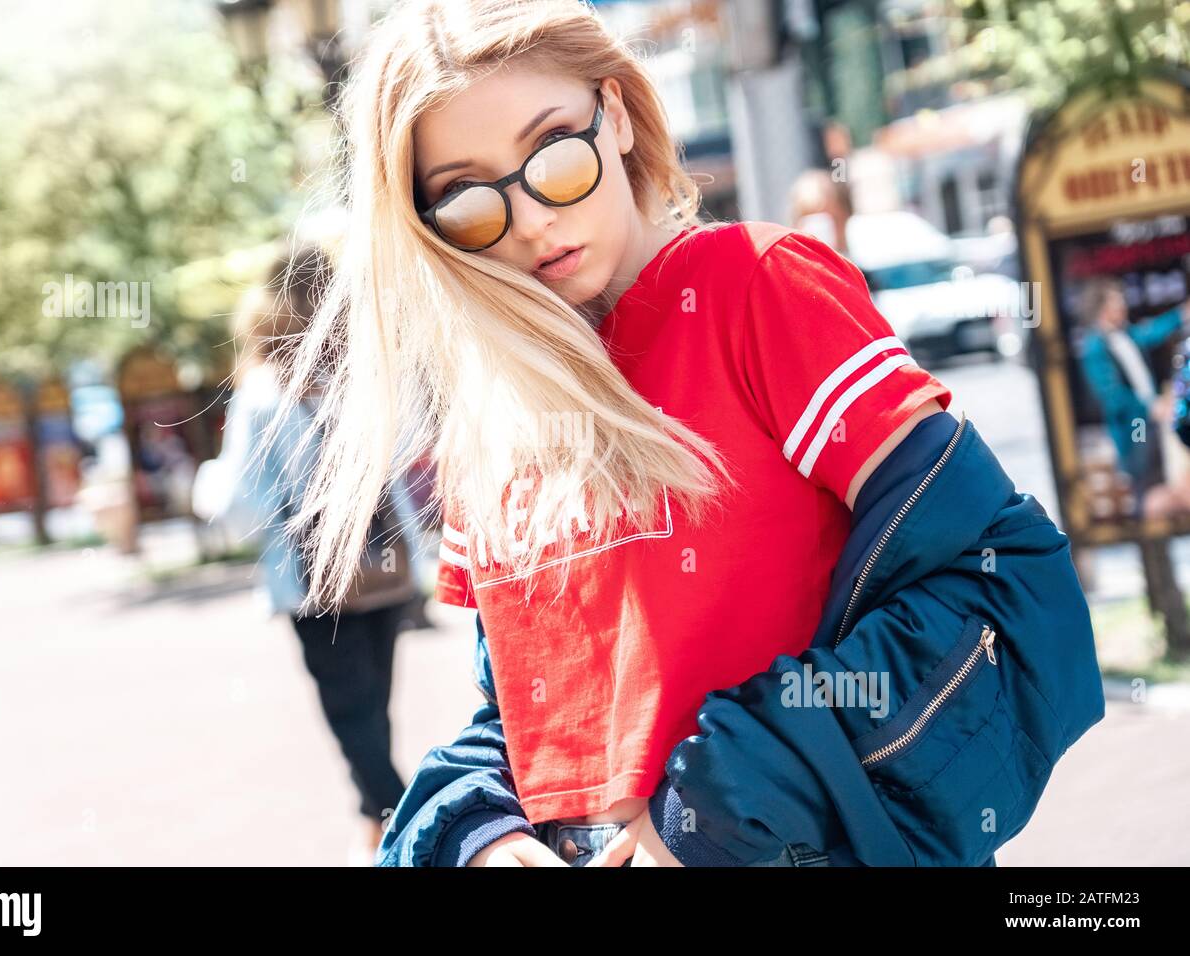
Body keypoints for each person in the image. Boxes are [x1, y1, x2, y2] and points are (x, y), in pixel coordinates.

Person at [274, 0, 1105, 867]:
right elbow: (524, 719)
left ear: (618, 113)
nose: (527, 220)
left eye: (553, 153)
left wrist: (708, 819)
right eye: (465, 196)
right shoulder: (486, 411)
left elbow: (1001, 587)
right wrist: (479, 835)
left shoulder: (755, 289)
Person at [193, 245, 415, 866]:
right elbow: (399, 464)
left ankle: (408, 824)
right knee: (373, 707)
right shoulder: (362, 374)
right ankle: (374, 828)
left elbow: (241, 502)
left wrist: (205, 484)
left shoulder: (263, 392)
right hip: (386, 566)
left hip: (318, 581)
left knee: (352, 715)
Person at [1076, 274, 1190, 508]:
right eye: (1117, 303)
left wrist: (1181, 315)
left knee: (1162, 478)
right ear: (1104, 308)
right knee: (1144, 483)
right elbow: (1112, 396)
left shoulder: (1127, 334)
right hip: (1135, 424)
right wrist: (1149, 407)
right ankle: (1148, 536)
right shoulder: (1095, 347)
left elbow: (1152, 332)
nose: (1123, 307)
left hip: (1153, 420)